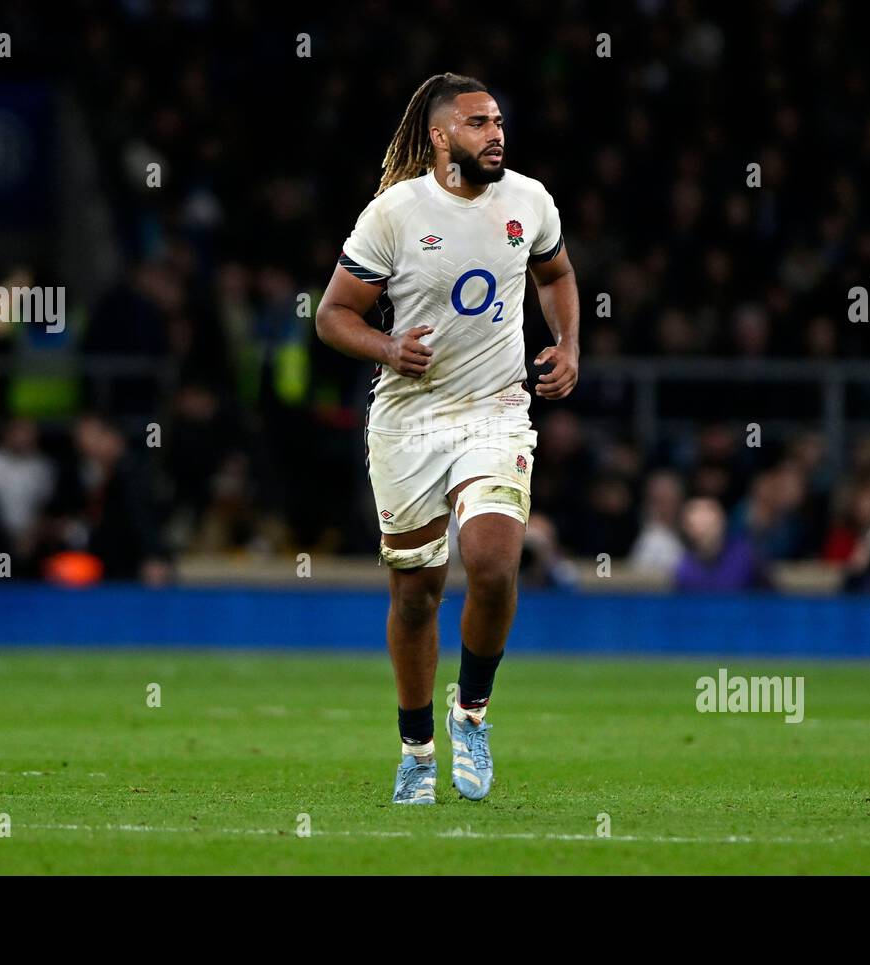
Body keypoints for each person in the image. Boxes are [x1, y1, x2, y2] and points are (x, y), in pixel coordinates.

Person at [315, 73, 579, 804]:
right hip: (408, 419)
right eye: (476, 123)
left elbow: (556, 273)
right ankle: (416, 747)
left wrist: (568, 343)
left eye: (498, 121)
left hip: (494, 408)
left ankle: (472, 714)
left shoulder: (530, 200)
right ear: (439, 137)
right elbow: (334, 313)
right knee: (417, 594)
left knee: (493, 562)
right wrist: (387, 347)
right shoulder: (393, 215)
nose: (495, 133)